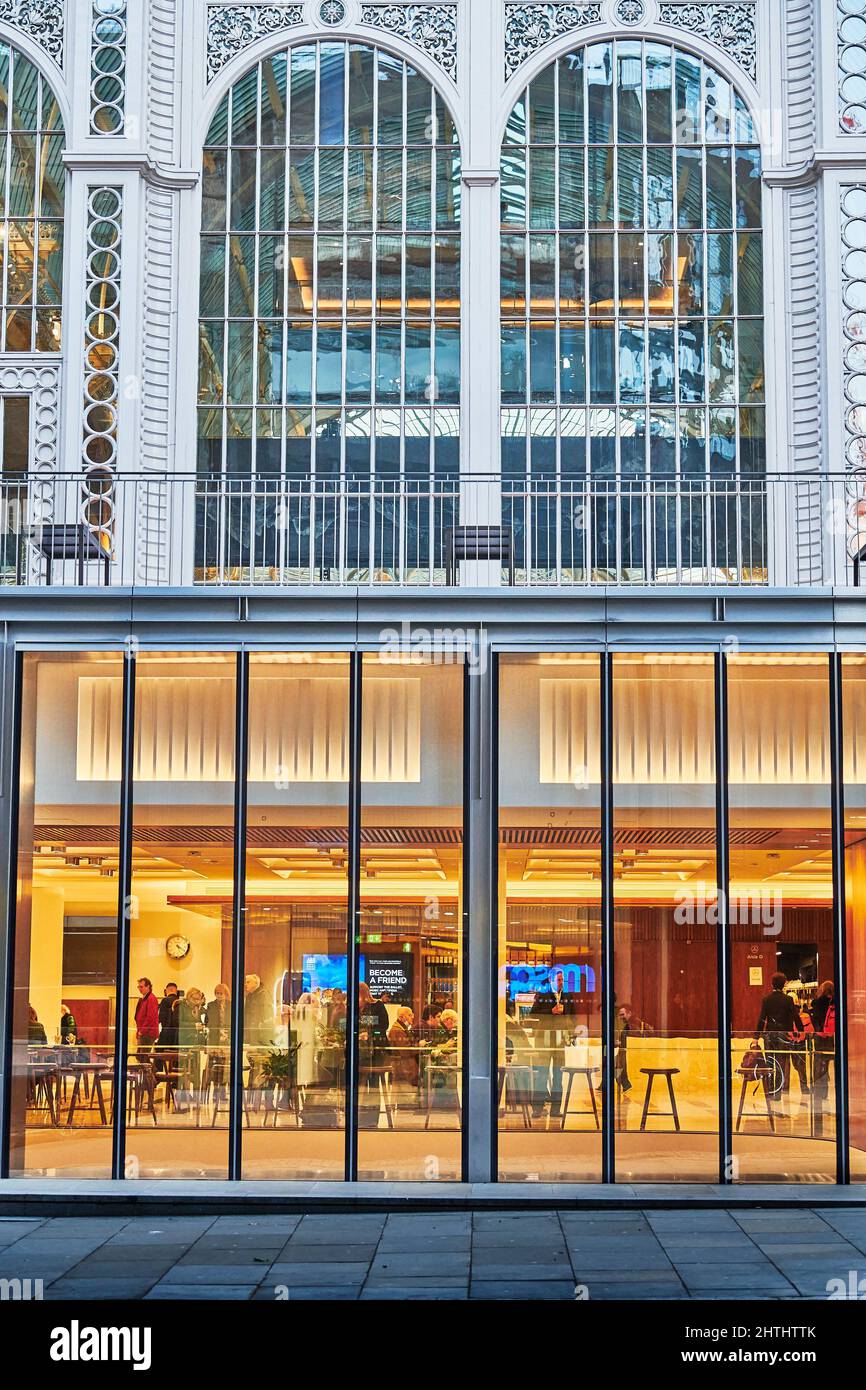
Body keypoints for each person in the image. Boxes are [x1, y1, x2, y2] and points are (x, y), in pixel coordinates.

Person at [527, 969, 576, 1118]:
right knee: (542, 1074)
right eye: (559, 980)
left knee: (558, 1076)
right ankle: (537, 1108)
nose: (561, 983)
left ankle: (556, 1109)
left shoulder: (567, 996)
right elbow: (533, 1014)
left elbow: (573, 1017)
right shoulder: (542, 995)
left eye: (562, 980)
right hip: (543, 1040)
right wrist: (551, 1011)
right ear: (551, 980)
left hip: (560, 1040)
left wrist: (572, 1034)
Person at [754, 972, 805, 1104]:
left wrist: (756, 1037)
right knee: (781, 1064)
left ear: (772, 984)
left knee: (770, 1063)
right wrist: (800, 1030)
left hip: (769, 1036)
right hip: (783, 1036)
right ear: (783, 985)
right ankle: (777, 1093)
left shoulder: (766, 1000)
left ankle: (770, 1091)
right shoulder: (788, 1000)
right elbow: (795, 1016)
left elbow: (762, 1019)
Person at [810, 980, 835, 1109]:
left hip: (820, 1037)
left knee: (819, 1065)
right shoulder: (836, 1002)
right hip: (833, 1038)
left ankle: (820, 1092)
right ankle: (834, 1090)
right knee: (831, 1064)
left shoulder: (817, 1003)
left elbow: (814, 1020)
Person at [205, 983, 231, 1093]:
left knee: (225, 1066)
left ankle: (224, 1090)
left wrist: (227, 1033)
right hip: (214, 1038)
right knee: (214, 1064)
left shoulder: (231, 1005)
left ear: (226, 994)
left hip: (227, 1038)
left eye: (221, 993)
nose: (219, 996)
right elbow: (207, 1021)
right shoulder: (211, 1005)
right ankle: (216, 1089)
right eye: (217, 993)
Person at [387, 1006, 419, 1086]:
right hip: (403, 1068)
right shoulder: (397, 1031)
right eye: (409, 1015)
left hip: (404, 1067)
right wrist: (419, 1046)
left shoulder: (401, 1029)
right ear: (401, 1017)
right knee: (403, 1095)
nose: (412, 1017)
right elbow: (405, 1051)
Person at [243, 973, 271, 1047]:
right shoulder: (249, 996)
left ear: (256, 983)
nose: (245, 984)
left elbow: (265, 1013)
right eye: (245, 982)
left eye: (248, 982)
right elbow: (247, 1013)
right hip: (251, 1030)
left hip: (260, 1030)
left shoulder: (263, 995)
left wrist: (261, 1025)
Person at [134, 977, 159, 1052]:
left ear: (148, 987)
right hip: (144, 1032)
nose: (139, 989)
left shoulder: (151, 998)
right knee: (141, 1056)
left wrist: (141, 1031)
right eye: (138, 987)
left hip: (148, 1033)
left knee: (143, 1057)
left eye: (141, 987)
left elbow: (150, 1018)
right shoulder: (145, 998)